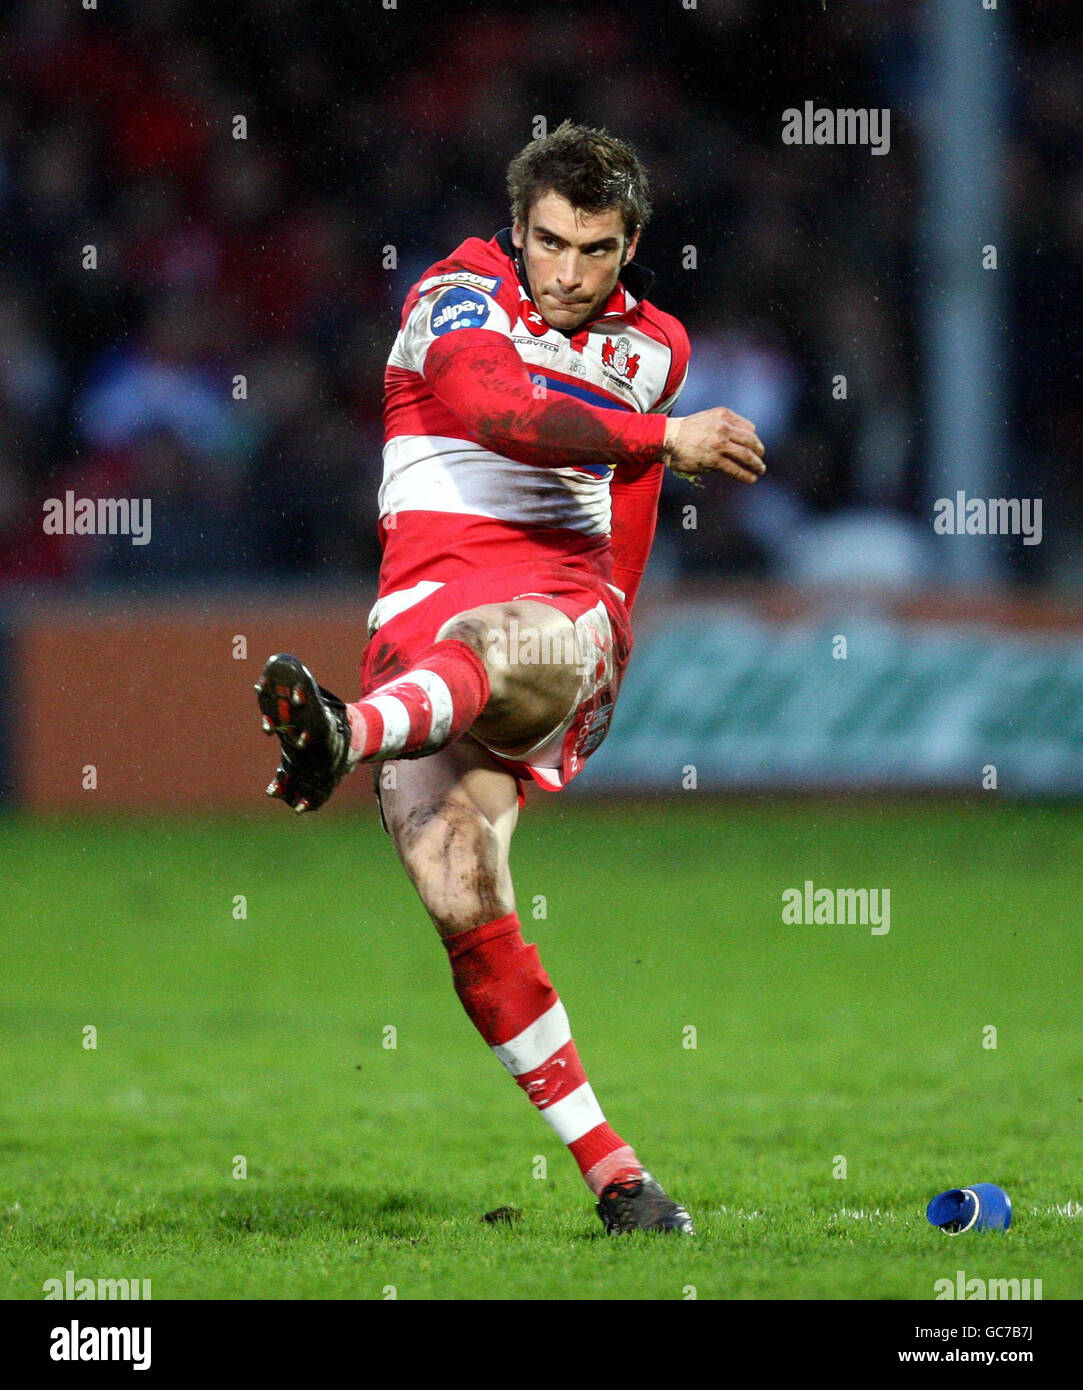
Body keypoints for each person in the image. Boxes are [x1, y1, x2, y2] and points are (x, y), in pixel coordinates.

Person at [256, 121, 765, 1233]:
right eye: (549, 243)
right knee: (455, 880)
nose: (569, 273)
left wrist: (611, 632)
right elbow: (495, 410)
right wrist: (660, 439)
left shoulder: (657, 349)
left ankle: (346, 736)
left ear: (632, 244)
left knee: (500, 638)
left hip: (559, 621)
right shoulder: (455, 296)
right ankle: (617, 1174)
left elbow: (620, 518)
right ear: (517, 227)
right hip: (418, 634)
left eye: (596, 249)